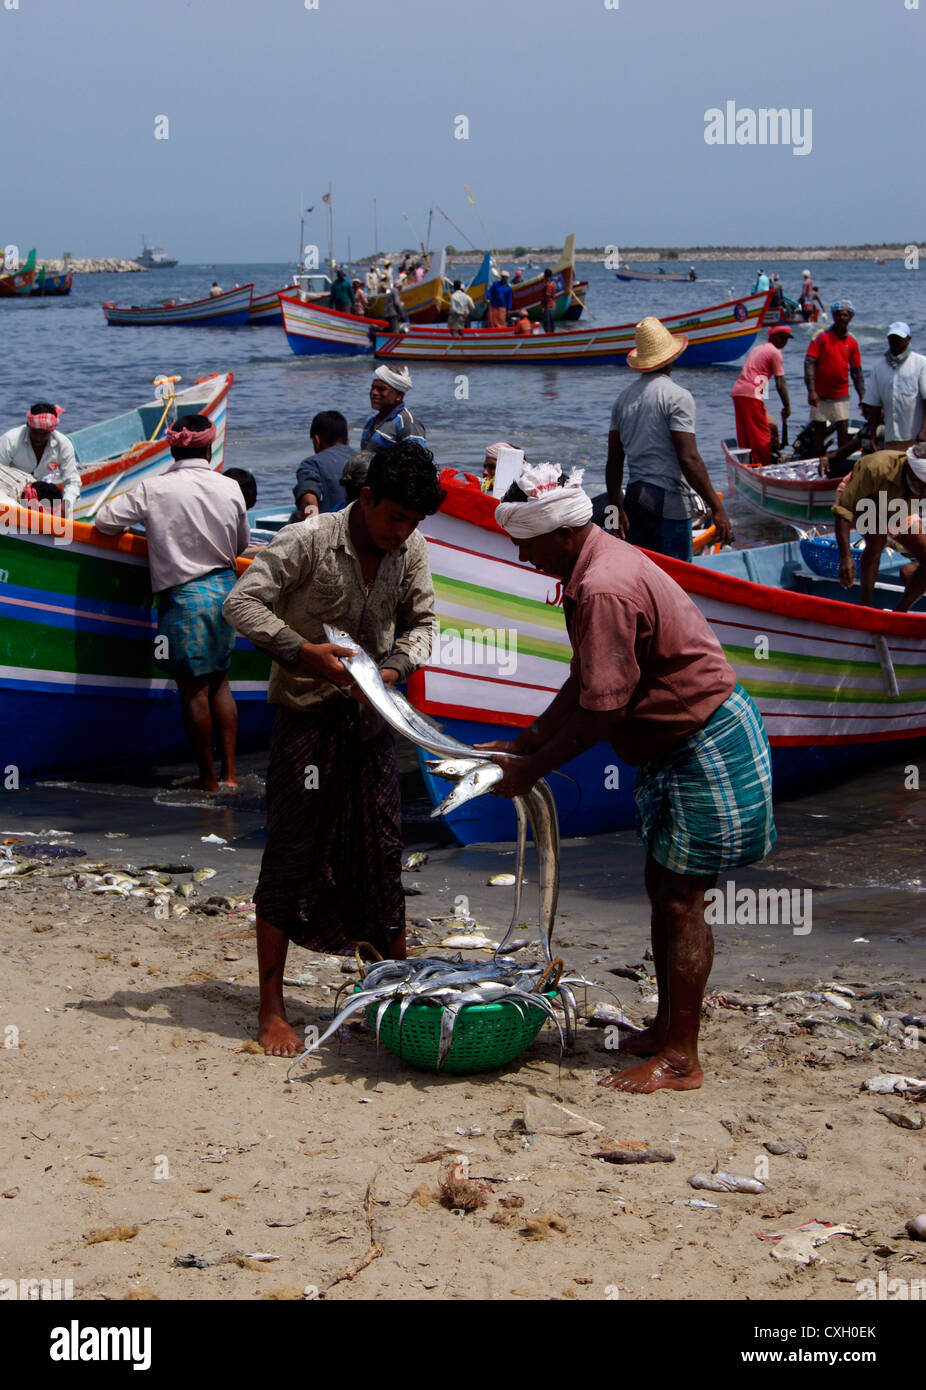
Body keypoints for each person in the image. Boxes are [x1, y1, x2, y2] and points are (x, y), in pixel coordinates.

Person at [480, 464, 775, 1094]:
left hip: (704, 741)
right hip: (674, 745)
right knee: (661, 888)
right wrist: (526, 740)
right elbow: (587, 678)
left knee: (682, 901)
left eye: (527, 544)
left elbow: (604, 707)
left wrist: (533, 768)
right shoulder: (591, 568)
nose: (525, 557)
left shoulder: (602, 587)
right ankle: (667, 1028)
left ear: (561, 533)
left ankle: (680, 1059)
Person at [222, 442, 444, 1055]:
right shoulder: (308, 540)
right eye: (396, 517)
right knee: (293, 855)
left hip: (372, 722)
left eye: (414, 522)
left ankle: (393, 993)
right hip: (305, 720)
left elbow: (424, 623)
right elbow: (239, 601)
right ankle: (271, 1009)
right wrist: (301, 651)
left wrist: (394, 669)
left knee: (381, 855)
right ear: (366, 499)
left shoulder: (411, 548)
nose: (403, 533)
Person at [93, 416, 250, 792]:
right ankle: (230, 774)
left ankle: (208, 780)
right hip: (226, 589)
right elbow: (241, 544)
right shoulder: (230, 487)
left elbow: (104, 521)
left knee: (193, 690)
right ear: (209, 449)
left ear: (172, 448)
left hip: (185, 596)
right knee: (220, 682)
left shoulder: (154, 489)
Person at [606, 317, 733, 560]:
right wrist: (717, 509)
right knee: (676, 584)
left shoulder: (623, 399)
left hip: (634, 501)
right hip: (669, 505)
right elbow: (689, 459)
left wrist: (614, 511)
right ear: (671, 357)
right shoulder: (678, 396)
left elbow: (614, 462)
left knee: (640, 580)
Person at [832, 442, 926, 612]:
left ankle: (900, 613)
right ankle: (866, 605)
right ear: (910, 471)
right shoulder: (876, 467)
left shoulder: (920, 486)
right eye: (921, 485)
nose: (923, 490)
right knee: (877, 540)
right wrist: (845, 556)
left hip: (899, 504)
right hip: (862, 499)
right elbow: (843, 510)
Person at [805, 300, 865, 457]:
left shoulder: (852, 342)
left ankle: (840, 466)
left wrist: (863, 397)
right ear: (833, 316)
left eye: (845, 315)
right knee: (818, 433)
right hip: (820, 395)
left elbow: (857, 372)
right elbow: (809, 364)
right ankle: (817, 466)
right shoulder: (821, 337)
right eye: (838, 315)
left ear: (850, 318)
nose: (842, 318)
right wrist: (811, 391)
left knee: (843, 433)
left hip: (841, 396)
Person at [730, 325, 793, 465]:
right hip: (750, 394)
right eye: (781, 337)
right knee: (762, 436)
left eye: (786, 338)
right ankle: (764, 466)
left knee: (746, 434)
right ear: (772, 337)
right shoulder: (775, 352)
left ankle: (748, 463)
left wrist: (761, 404)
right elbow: (780, 383)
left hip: (739, 392)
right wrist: (787, 407)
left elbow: (758, 375)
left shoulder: (758, 349)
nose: (784, 341)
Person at [0, 403, 81, 512]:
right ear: (28, 426)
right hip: (11, 493)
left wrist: (64, 506)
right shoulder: (10, 440)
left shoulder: (63, 445)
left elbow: (72, 481)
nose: (38, 438)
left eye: (43, 433)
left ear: (51, 430)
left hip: (41, 495)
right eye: (35, 432)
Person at [862, 322, 926, 449]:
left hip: (917, 438)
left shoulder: (921, 363)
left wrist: (924, 431)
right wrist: (873, 433)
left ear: (908, 340)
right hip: (891, 438)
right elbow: (874, 405)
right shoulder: (879, 366)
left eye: (899, 338)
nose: (895, 341)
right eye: (892, 338)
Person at [292, 410, 353, 518]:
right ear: (347, 440)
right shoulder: (367, 459)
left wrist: (312, 531)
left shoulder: (312, 465)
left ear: (317, 440)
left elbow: (309, 501)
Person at [361, 365, 425, 453]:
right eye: (373, 388)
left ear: (399, 395)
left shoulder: (407, 424)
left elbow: (416, 461)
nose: (374, 393)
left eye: (381, 389)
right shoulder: (370, 423)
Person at [540, 269, 557, 334]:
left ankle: (548, 337)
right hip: (552, 306)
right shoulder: (553, 283)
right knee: (551, 324)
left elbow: (547, 296)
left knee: (547, 325)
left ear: (545, 275)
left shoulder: (548, 285)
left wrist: (543, 307)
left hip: (548, 306)